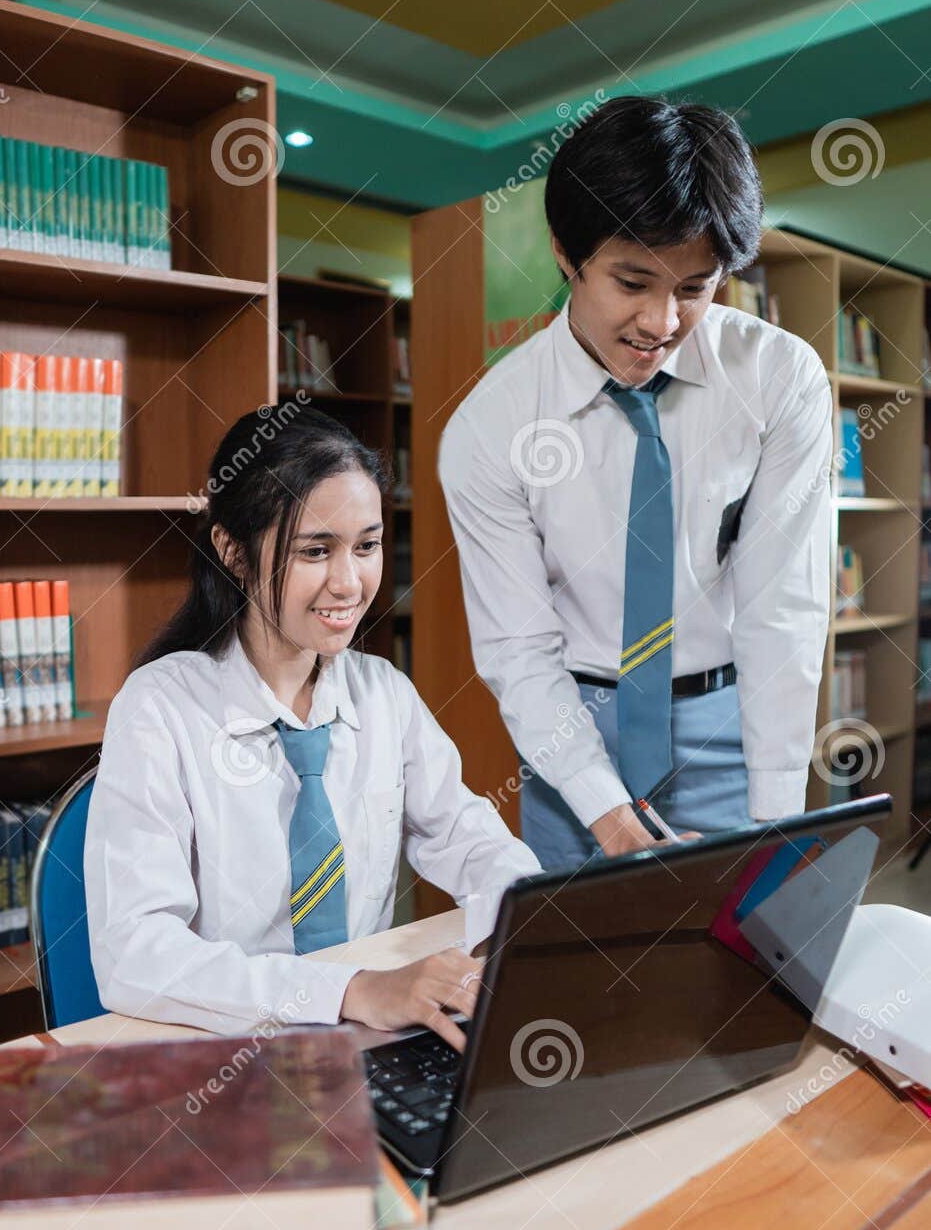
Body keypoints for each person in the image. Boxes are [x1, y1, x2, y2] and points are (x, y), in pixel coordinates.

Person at [438, 94, 833, 871]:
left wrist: (775, 812)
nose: (660, 322)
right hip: (571, 742)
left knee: (744, 977)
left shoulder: (778, 378)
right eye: (630, 282)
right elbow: (518, 651)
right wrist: (605, 811)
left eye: (693, 288)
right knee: (586, 983)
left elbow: (780, 604)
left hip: (732, 728)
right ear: (564, 253)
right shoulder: (491, 428)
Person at [84, 405, 540, 1050]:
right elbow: (136, 954)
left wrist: (509, 933)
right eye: (316, 551)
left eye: (367, 546)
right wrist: (351, 991)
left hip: (363, 1039)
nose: (349, 582)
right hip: (230, 1045)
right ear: (232, 551)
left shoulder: (384, 693)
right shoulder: (160, 708)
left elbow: (472, 841)